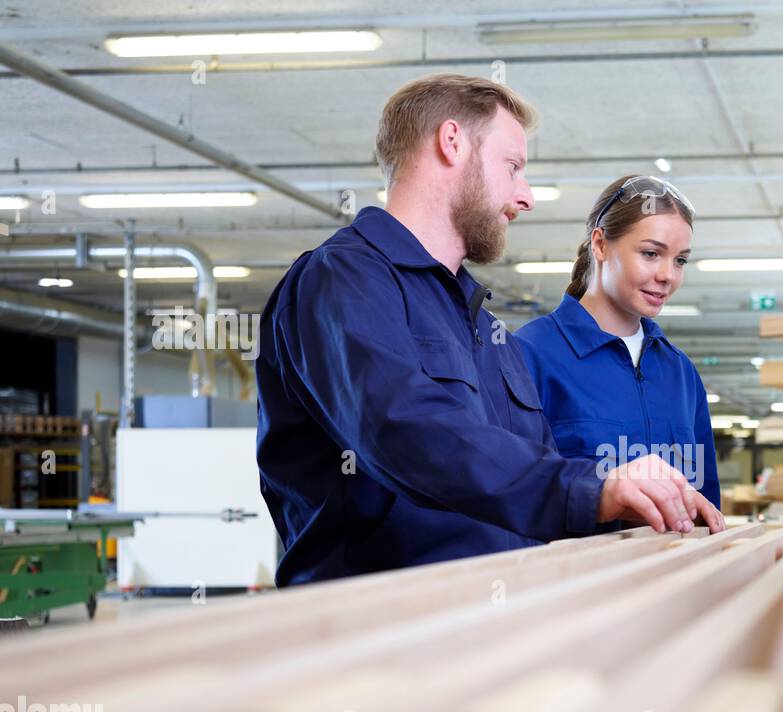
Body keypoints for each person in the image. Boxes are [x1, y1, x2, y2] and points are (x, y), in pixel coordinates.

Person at [256, 73, 723, 586]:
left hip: (490, 619)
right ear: (451, 143)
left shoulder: (484, 327)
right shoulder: (343, 281)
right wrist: (591, 489)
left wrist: (630, 504)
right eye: (513, 167)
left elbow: (528, 473)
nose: (525, 197)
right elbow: (407, 432)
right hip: (377, 628)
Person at [515, 175, 720, 511]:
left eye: (680, 260)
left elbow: (705, 500)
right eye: (651, 253)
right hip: (573, 563)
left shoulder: (680, 373)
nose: (668, 275)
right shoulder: (528, 355)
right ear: (600, 244)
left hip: (675, 563)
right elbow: (514, 492)